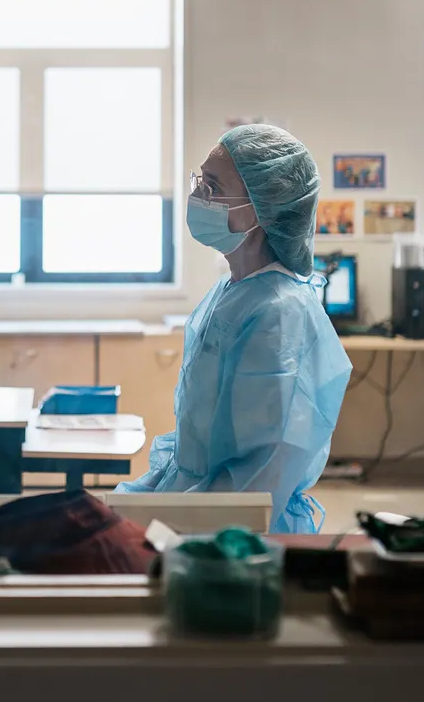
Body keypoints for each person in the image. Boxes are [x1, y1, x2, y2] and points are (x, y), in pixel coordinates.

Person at [116, 124, 352, 534]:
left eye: (212, 186)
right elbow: (196, 443)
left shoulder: (280, 315)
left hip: (233, 531)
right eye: (198, 180)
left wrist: (171, 528)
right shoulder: (231, 292)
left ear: (262, 209)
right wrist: (143, 503)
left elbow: (261, 474)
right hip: (199, 506)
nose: (196, 196)